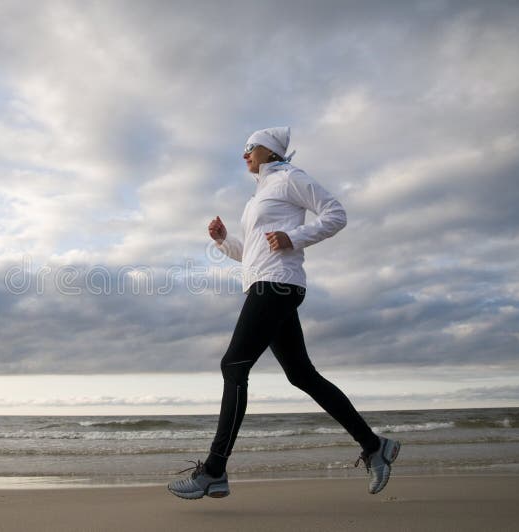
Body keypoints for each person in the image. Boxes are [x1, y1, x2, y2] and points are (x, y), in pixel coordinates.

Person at [167, 126, 400, 500]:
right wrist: (224, 240)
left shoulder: (292, 178)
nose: (244, 153)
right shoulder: (260, 194)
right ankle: (375, 446)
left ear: (270, 151)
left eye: (250, 147)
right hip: (267, 282)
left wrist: (297, 238)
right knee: (301, 375)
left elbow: (336, 214)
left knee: (234, 366)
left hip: (276, 285)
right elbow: (254, 254)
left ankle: (214, 471)